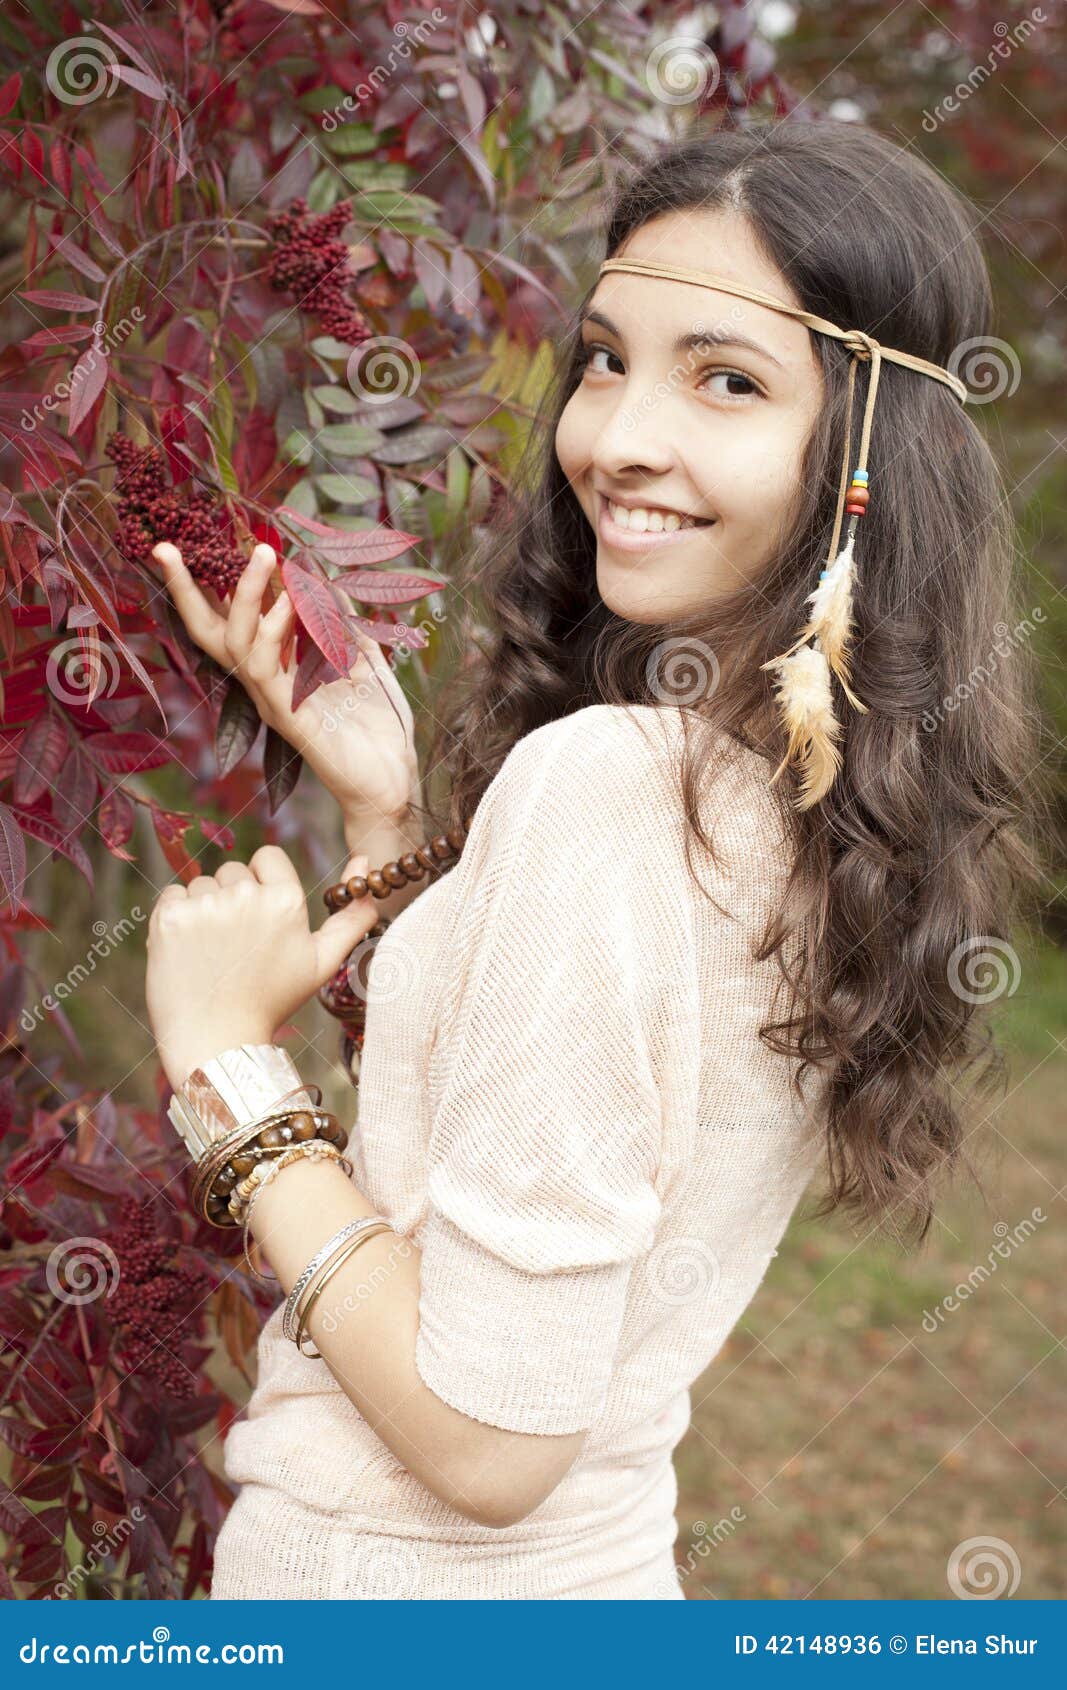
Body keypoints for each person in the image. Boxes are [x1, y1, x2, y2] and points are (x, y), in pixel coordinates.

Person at [144, 120, 1047, 1600]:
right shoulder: (809, 806)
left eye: (727, 379)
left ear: (864, 452)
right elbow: (492, 1155)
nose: (617, 436)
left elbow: (491, 1444)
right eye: (609, 359)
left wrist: (227, 1073)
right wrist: (386, 827)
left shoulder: (614, 788)